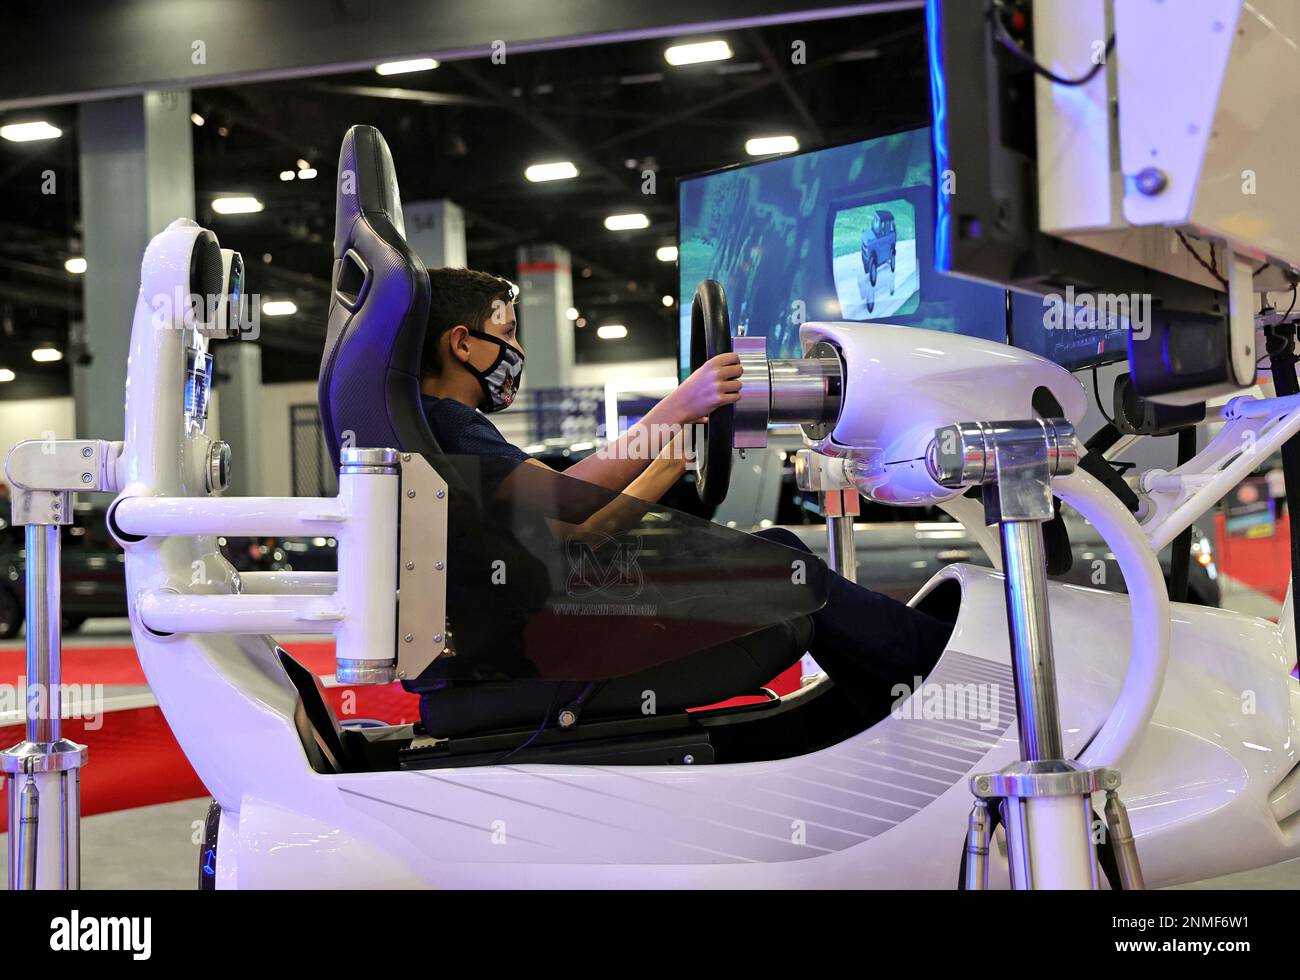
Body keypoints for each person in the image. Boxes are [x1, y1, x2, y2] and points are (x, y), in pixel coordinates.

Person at [419, 267, 952, 716]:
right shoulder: (448, 424)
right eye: (507, 333)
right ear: (462, 342)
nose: (515, 349)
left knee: (783, 555)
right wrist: (680, 403)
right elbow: (568, 498)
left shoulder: (442, 430)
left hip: (548, 625)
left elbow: (580, 533)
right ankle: (944, 677)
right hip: (549, 645)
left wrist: (668, 461)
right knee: (786, 569)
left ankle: (902, 692)